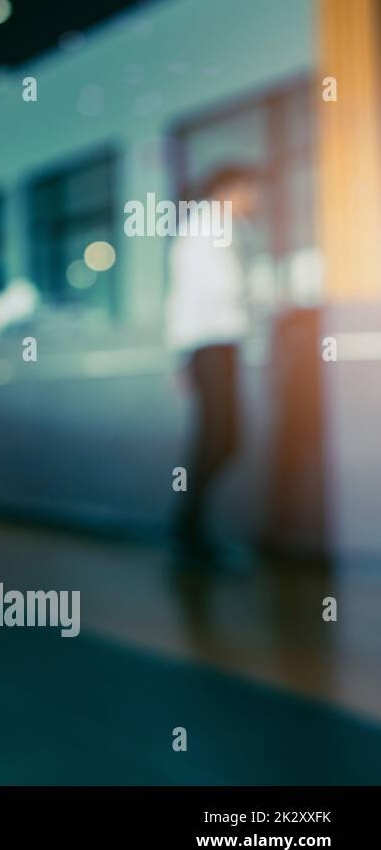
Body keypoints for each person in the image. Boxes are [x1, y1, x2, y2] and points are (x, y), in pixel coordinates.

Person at [164, 165, 260, 566]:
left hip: (222, 346)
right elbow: (184, 299)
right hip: (209, 347)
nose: (254, 200)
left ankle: (189, 531)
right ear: (227, 190)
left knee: (221, 438)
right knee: (219, 438)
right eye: (249, 190)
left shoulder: (227, 228)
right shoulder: (203, 230)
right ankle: (186, 532)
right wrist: (182, 359)